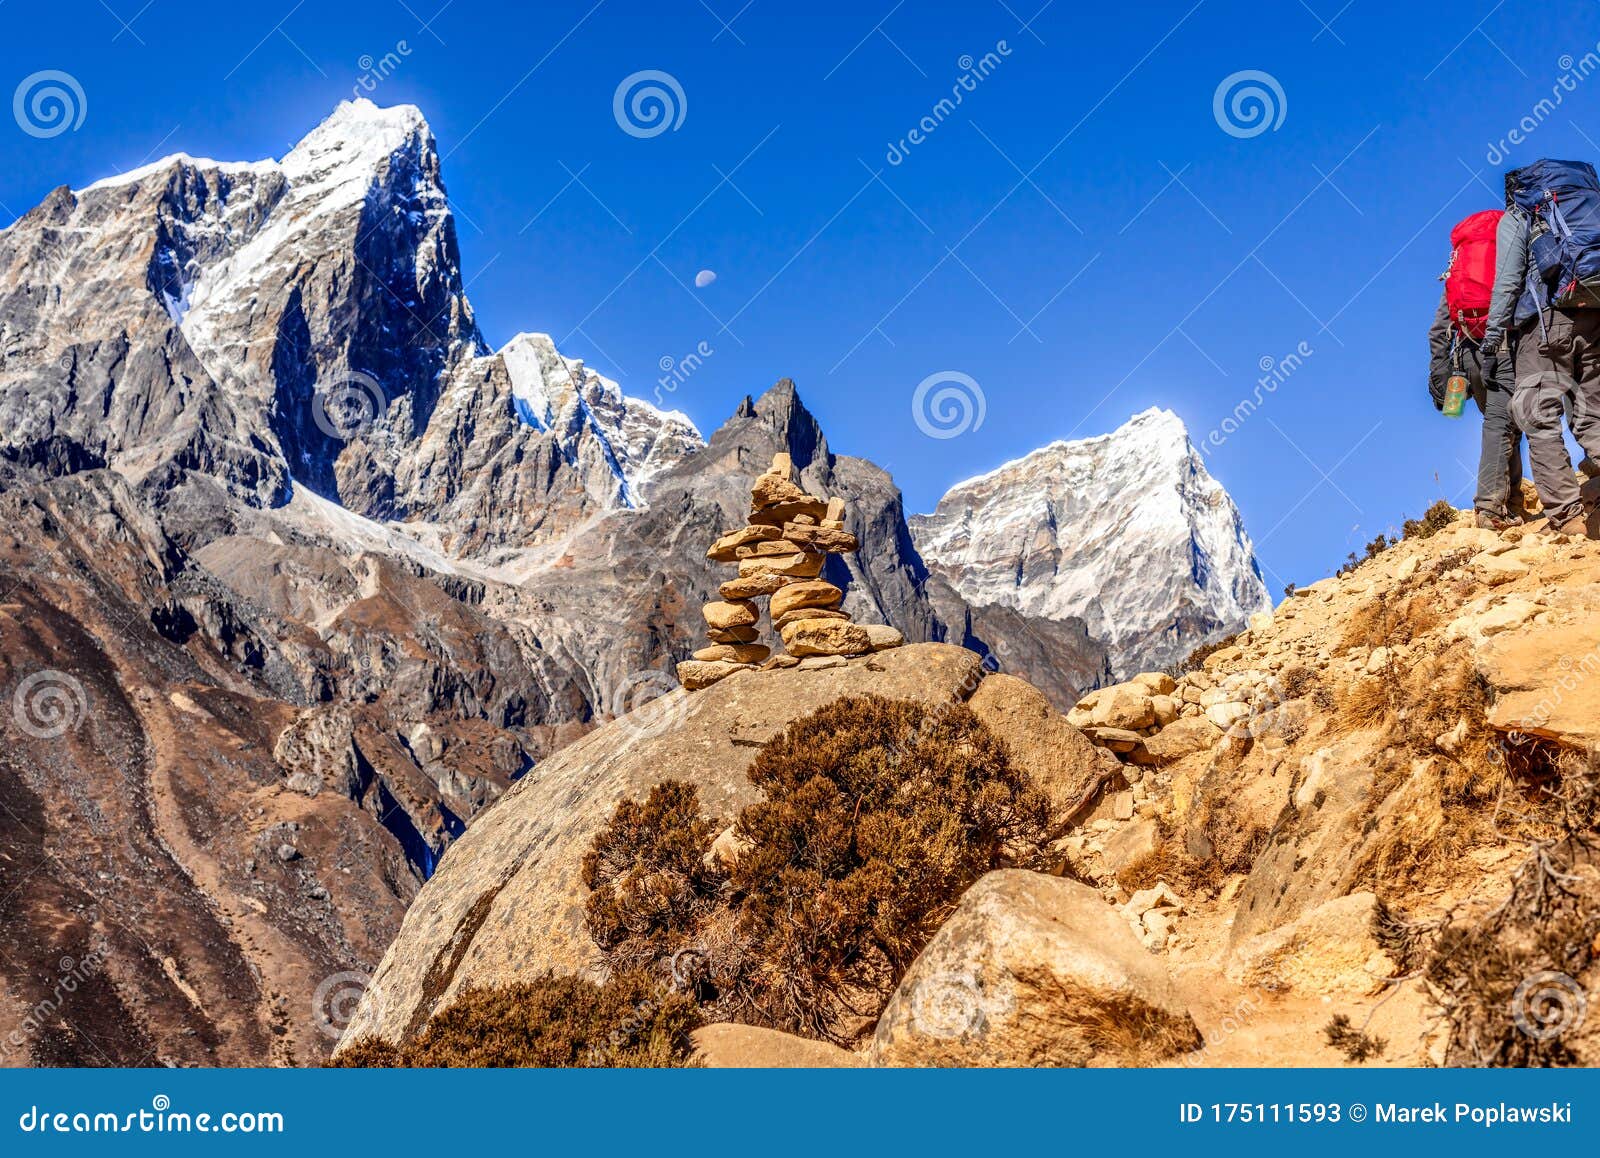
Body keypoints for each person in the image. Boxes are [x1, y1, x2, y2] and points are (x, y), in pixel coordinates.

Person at [1482, 161, 1600, 537]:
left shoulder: (1519, 213)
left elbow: (1507, 283)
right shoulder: (1585, 201)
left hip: (1544, 325)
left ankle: (1567, 518)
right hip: (1594, 311)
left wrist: (1492, 339)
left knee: (1539, 416)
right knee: (1594, 412)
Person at [1429, 215, 1525, 530]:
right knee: (1502, 425)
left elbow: (1437, 330)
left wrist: (1441, 377)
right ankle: (1490, 509)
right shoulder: (1511, 256)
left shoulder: (1458, 274)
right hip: (1502, 349)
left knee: (1503, 424)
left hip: (1468, 358)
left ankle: (1510, 502)